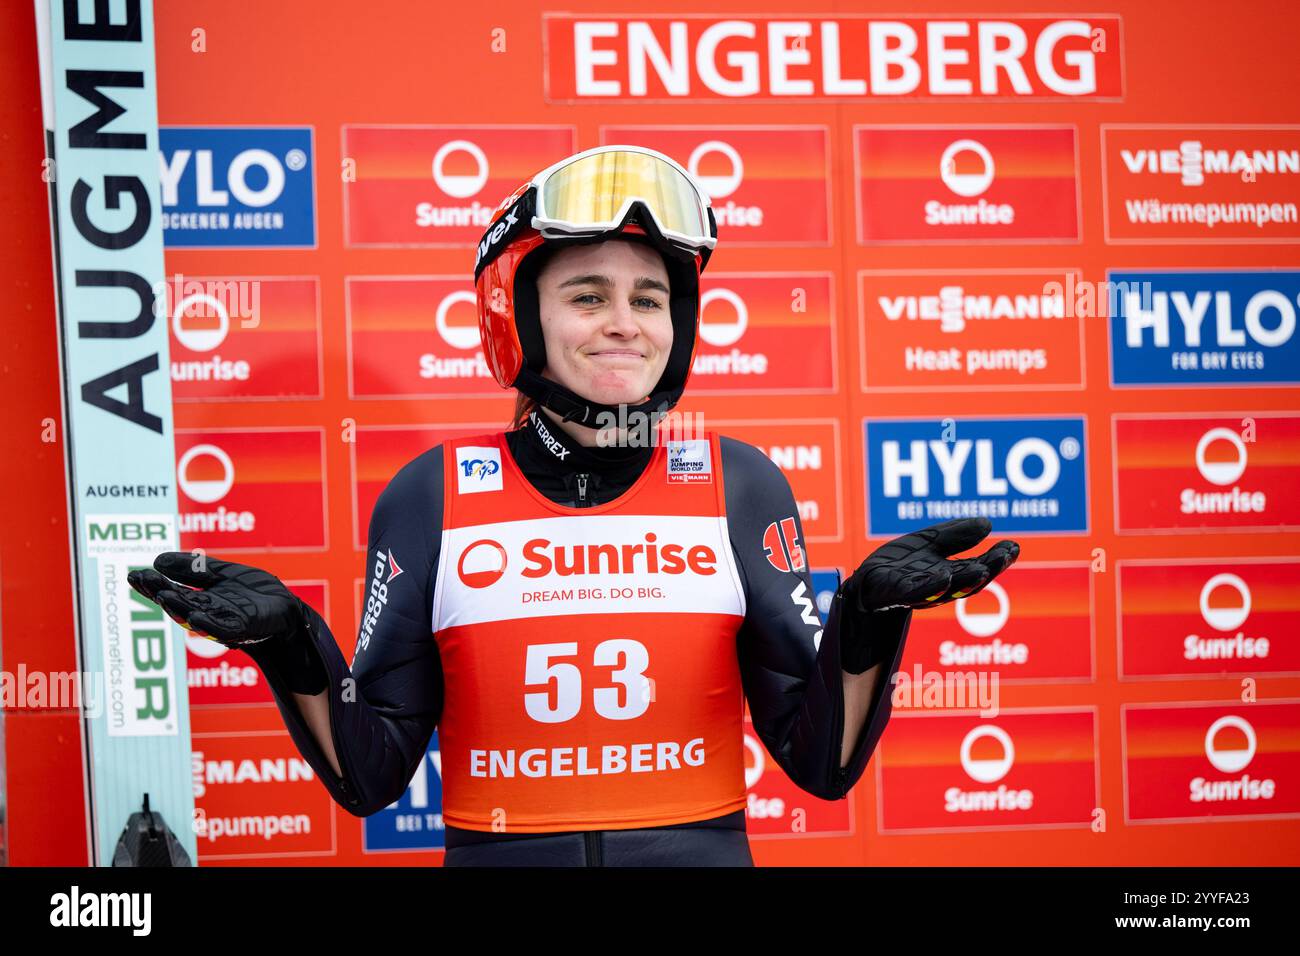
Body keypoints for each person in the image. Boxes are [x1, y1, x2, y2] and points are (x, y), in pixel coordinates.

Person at [129, 145, 1019, 866]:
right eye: (586, 296)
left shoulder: (740, 485)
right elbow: (369, 775)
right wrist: (290, 644)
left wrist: (868, 619)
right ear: (516, 317)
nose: (624, 323)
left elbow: (820, 763)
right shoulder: (429, 496)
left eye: (649, 298)